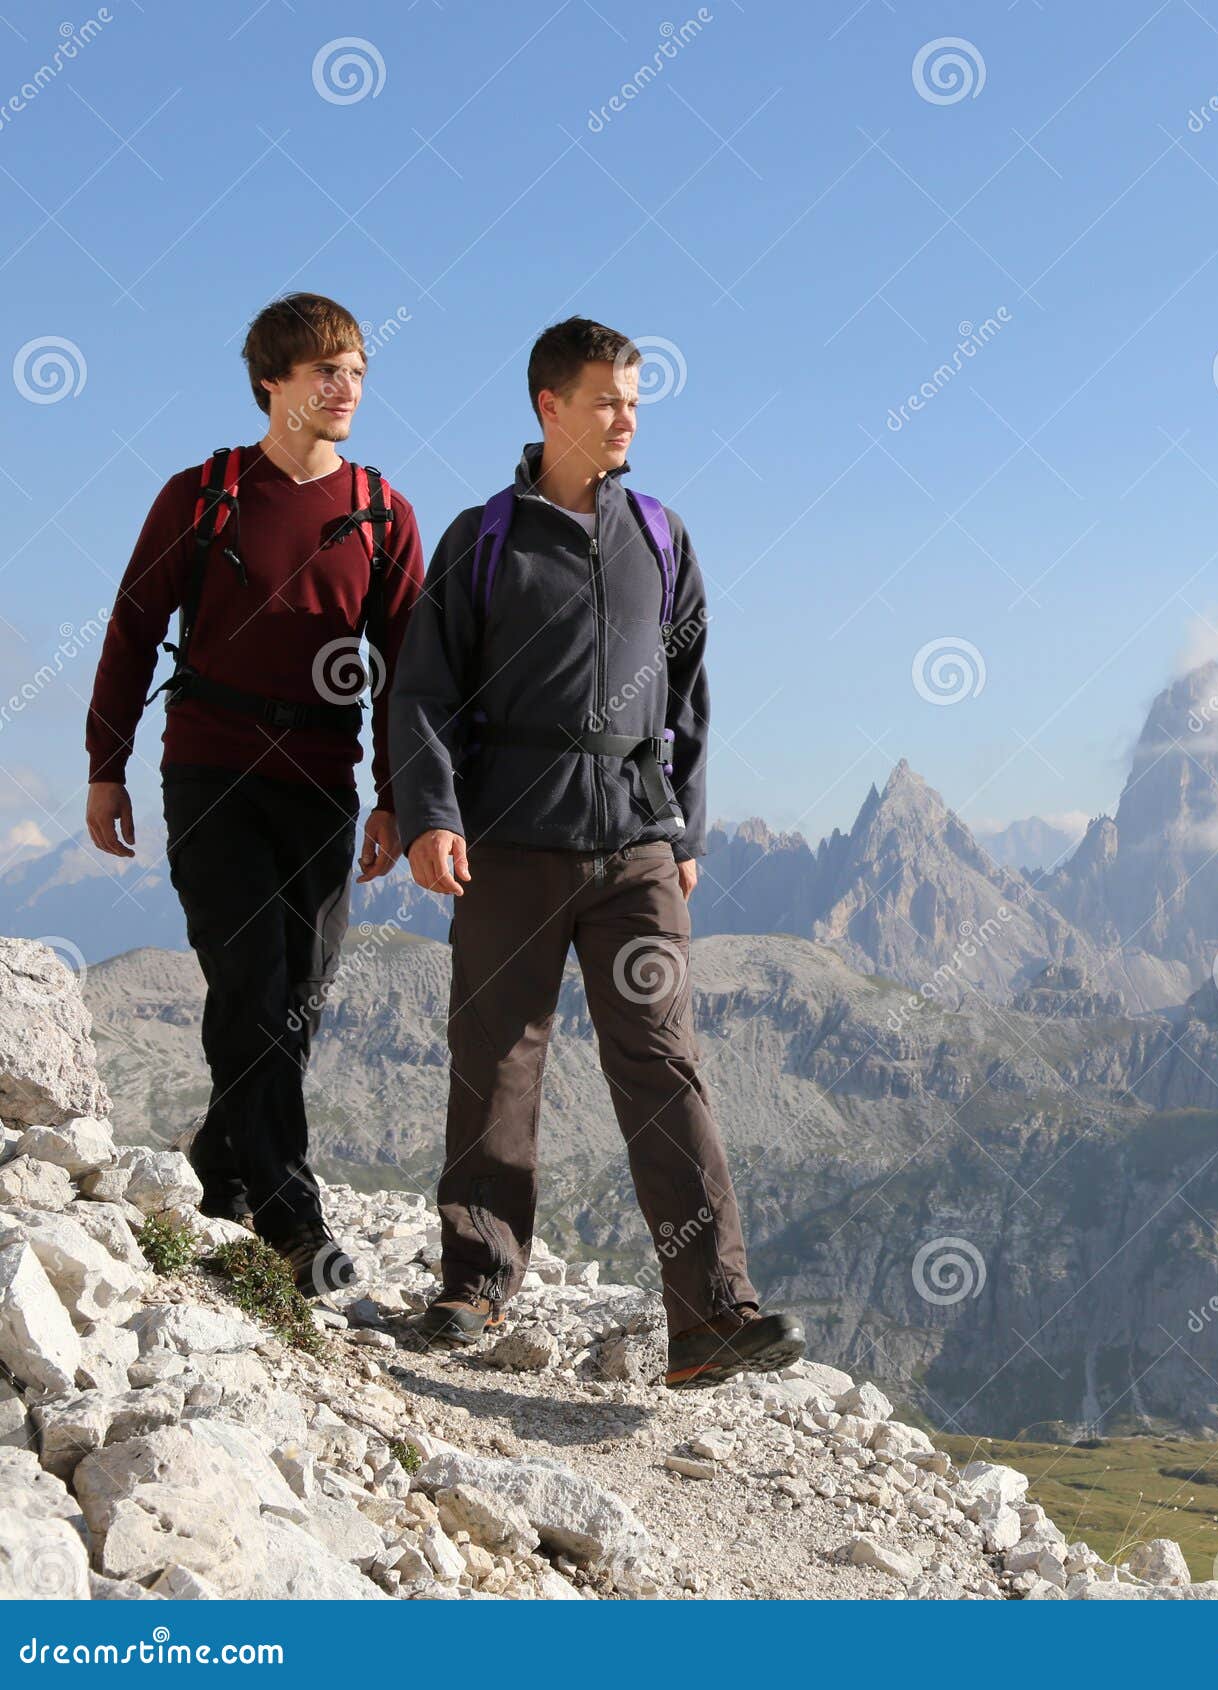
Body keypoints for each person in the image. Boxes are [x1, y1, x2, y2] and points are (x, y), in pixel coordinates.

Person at [389, 315, 804, 1387]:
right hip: (510, 842)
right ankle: (473, 1287)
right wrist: (430, 813)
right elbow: (422, 692)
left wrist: (685, 830)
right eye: (609, 400)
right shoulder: (483, 538)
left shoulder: (661, 534)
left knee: (665, 1068)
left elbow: (692, 691)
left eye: (635, 402)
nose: (626, 419)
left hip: (634, 847)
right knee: (497, 1061)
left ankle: (712, 1314)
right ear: (550, 408)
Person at [84, 292, 426, 1298]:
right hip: (209, 772)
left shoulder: (381, 511)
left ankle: (221, 1172)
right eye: (325, 370)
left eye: (358, 370)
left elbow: (409, 669)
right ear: (270, 382)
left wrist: (397, 799)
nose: (345, 388)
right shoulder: (202, 494)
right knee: (248, 982)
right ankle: (290, 1216)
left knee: (300, 997)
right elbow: (130, 628)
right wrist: (106, 762)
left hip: (324, 781)